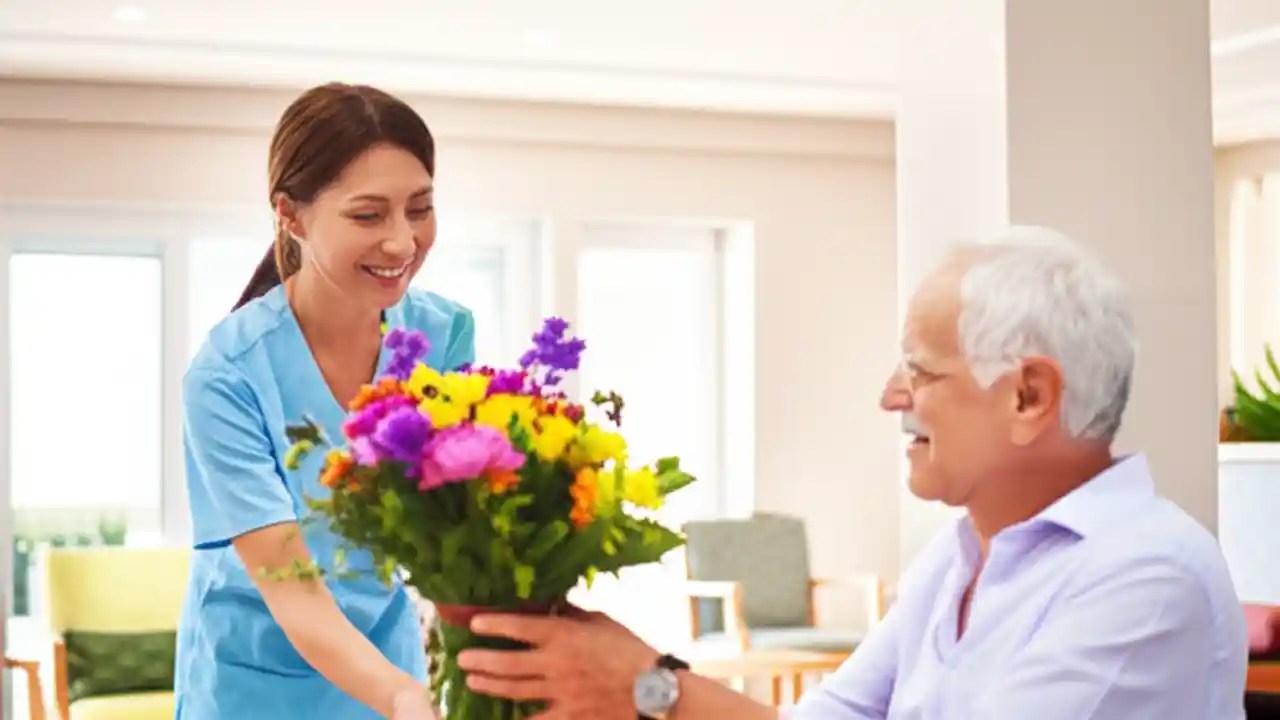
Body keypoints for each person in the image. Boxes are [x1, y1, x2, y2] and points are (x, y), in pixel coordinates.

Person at [457, 226, 1249, 719]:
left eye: (921, 371)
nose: (890, 396)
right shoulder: (962, 553)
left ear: (1029, 396)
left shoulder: (1146, 573)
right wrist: (627, 677)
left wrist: (648, 690)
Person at [175, 82, 473, 719]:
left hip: (386, 654)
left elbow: (455, 525)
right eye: (369, 215)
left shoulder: (443, 337)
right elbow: (290, 585)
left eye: (419, 209)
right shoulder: (227, 374)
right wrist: (399, 695)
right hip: (253, 678)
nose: (402, 242)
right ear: (291, 214)